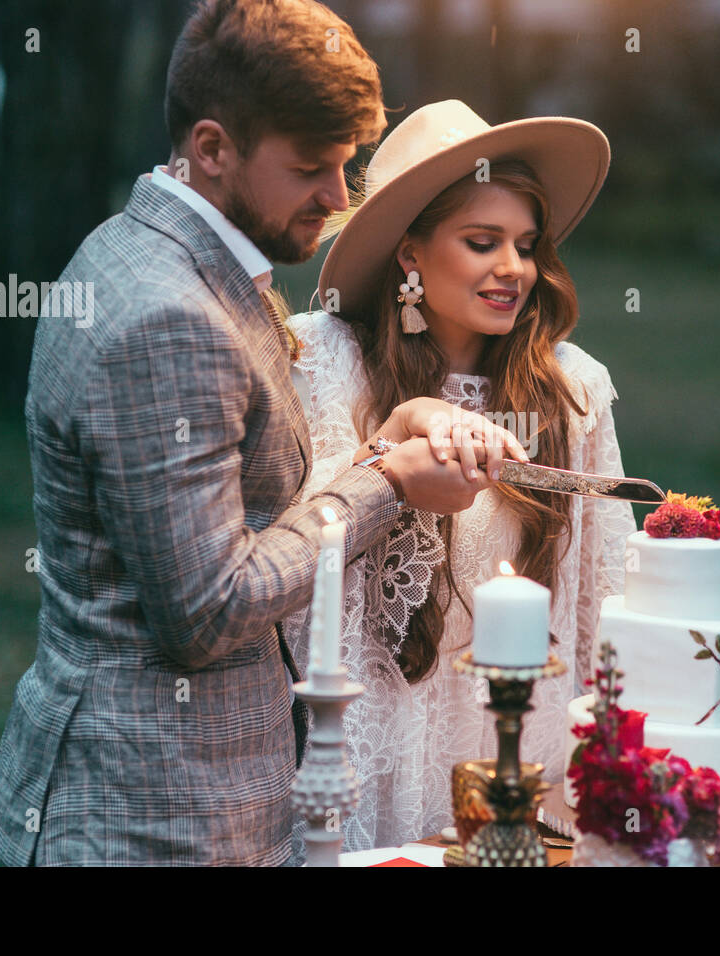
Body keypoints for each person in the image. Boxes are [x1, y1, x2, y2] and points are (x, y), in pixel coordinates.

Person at [0, 2, 523, 867]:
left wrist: (393, 431)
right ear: (212, 147)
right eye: (311, 168)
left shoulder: (147, 247)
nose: (339, 199)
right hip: (149, 815)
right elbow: (205, 611)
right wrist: (388, 480)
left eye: (346, 166)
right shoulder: (169, 318)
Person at [284, 100, 637, 850]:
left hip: (514, 742)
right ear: (410, 252)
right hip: (366, 735)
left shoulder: (571, 391)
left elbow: (603, 601)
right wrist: (388, 453)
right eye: (483, 242)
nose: (514, 269)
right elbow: (288, 551)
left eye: (526, 245)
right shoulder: (323, 363)